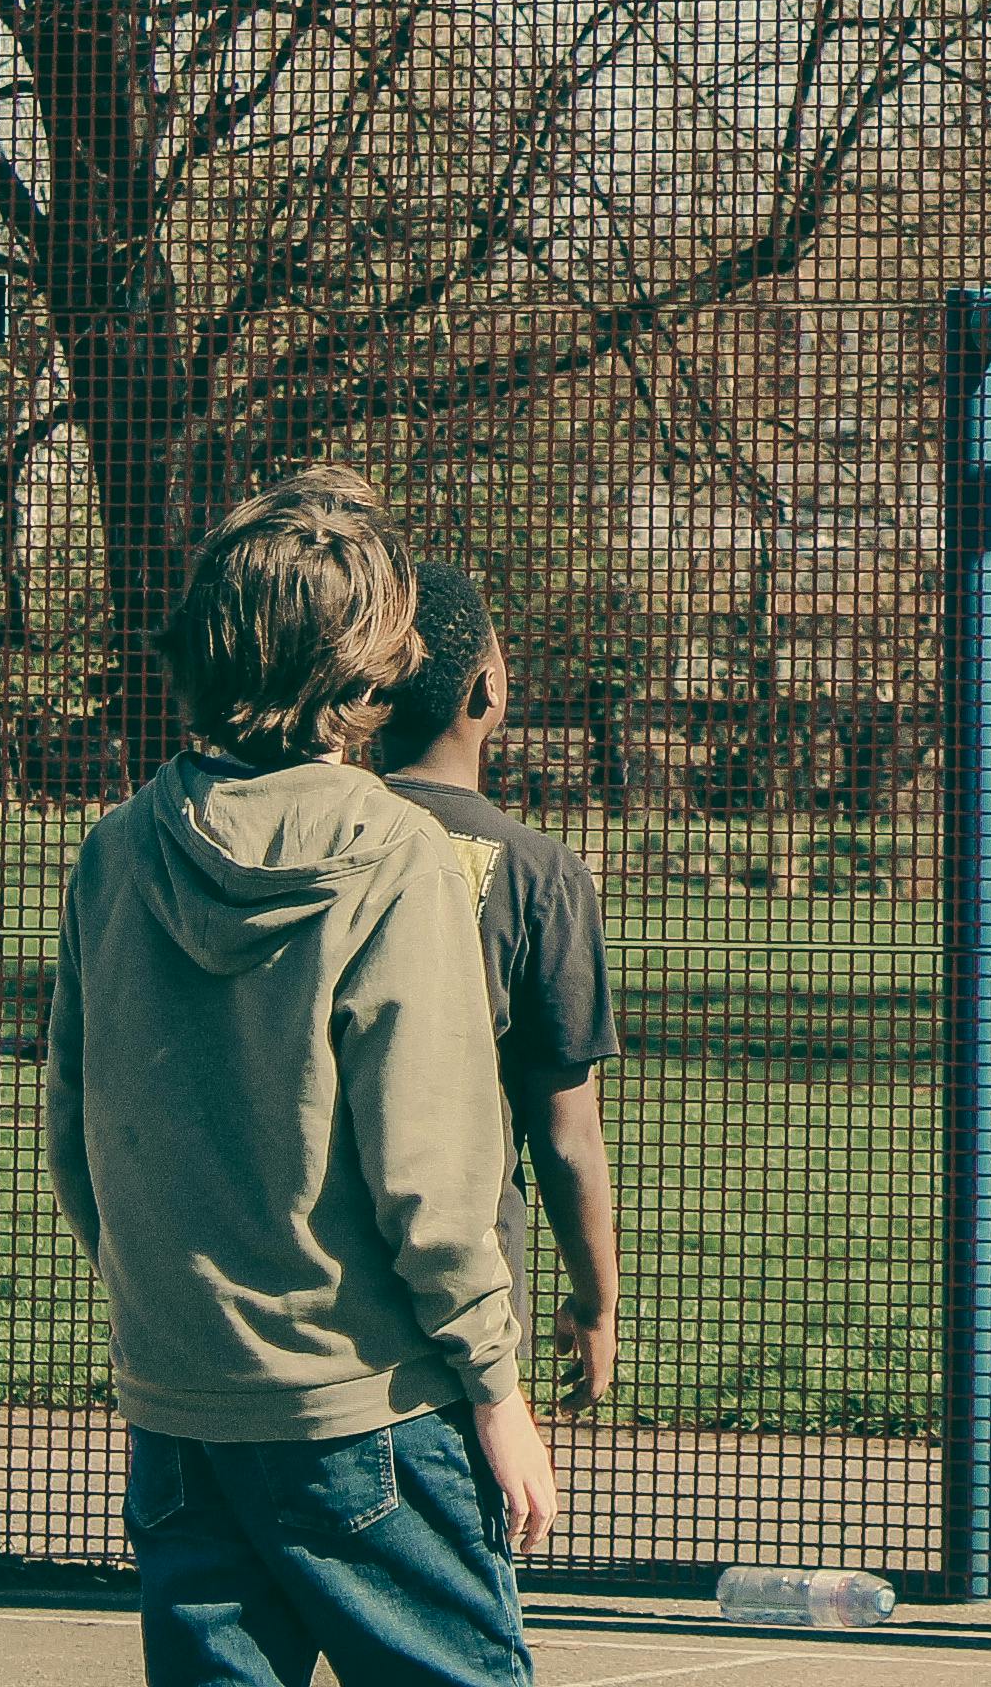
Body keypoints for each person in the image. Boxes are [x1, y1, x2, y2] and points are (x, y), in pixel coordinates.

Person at [49, 465, 555, 1687]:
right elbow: (429, 1174)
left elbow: (78, 1139)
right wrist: (496, 1386)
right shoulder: (400, 855)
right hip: (367, 1407)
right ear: (371, 665)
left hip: (181, 1406)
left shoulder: (116, 851)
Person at [375, 555, 623, 1407]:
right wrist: (596, 1303)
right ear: (488, 689)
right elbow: (566, 1138)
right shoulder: (539, 874)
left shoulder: (320, 839)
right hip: (468, 1288)